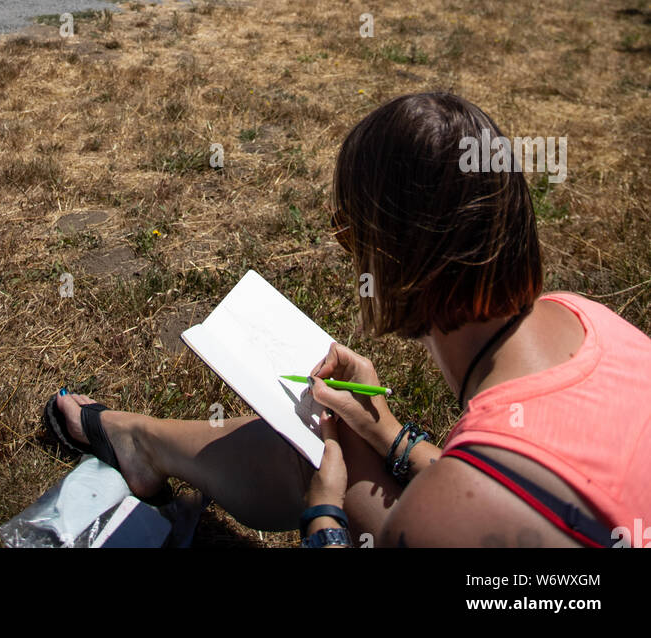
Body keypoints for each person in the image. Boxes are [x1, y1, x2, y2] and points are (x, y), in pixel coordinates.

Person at [44, 91, 651, 547]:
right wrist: (388, 432)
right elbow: (535, 484)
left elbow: (487, 498)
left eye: (348, 233)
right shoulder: (589, 320)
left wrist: (325, 513)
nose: (346, 250)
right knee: (333, 436)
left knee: (316, 459)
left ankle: (138, 442)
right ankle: (142, 441)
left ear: (396, 251)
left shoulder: (452, 514)